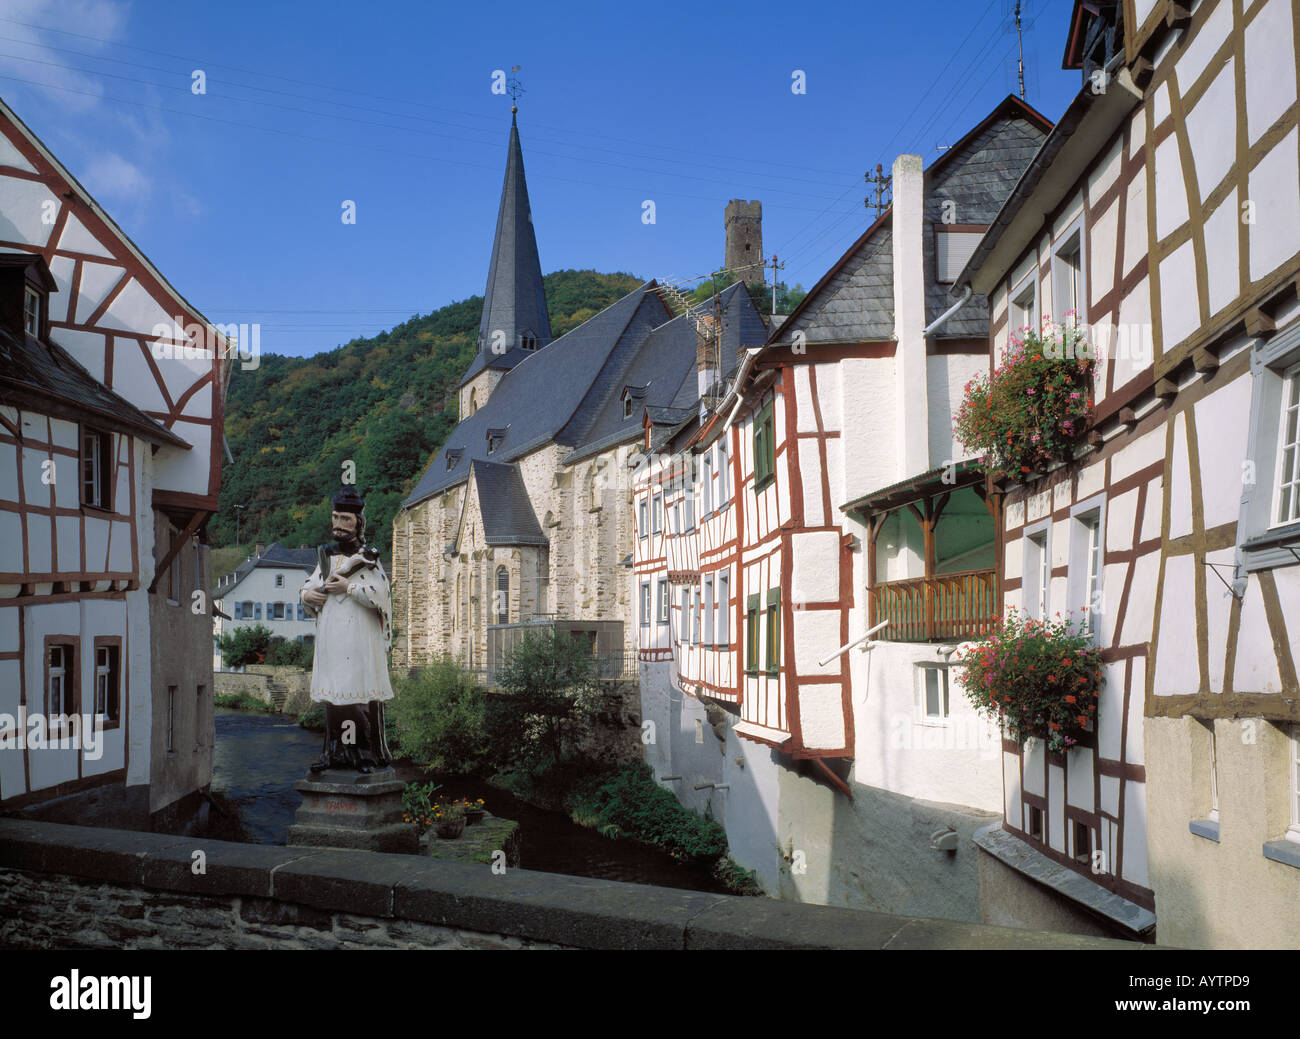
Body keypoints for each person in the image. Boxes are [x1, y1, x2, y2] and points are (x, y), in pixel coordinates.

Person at [300, 487, 394, 773]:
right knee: (335, 699)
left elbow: (381, 596)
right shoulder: (325, 558)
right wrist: (306, 596)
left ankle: (364, 755)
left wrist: (349, 587)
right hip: (332, 643)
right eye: (335, 518)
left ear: (358, 524)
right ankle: (334, 754)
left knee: (357, 698)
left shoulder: (368, 560)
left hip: (359, 643)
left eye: (345, 519)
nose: (338, 525)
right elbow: (309, 585)